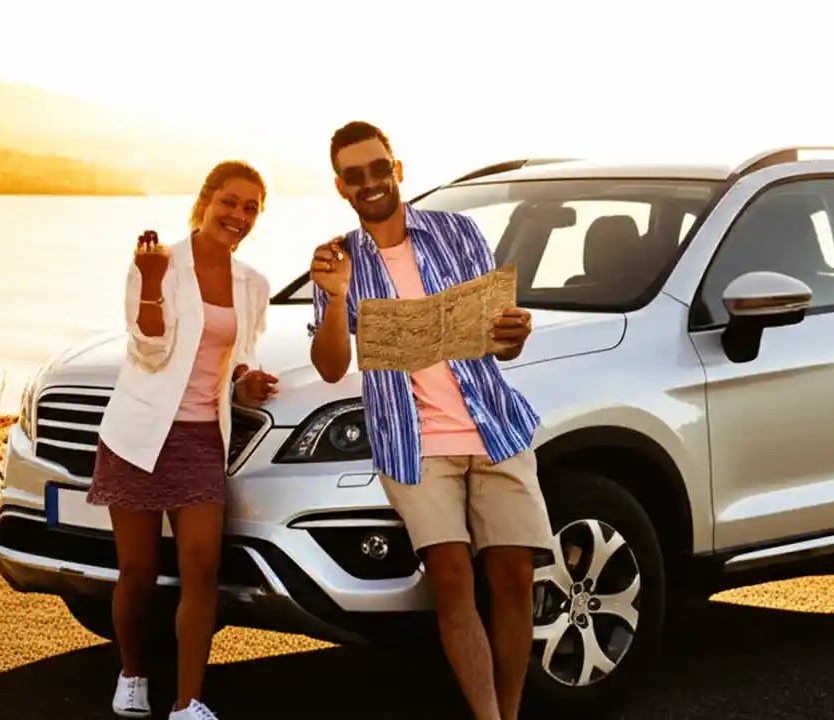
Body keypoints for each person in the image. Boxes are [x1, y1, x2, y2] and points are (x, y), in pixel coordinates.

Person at [307, 121, 550, 720]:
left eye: (378, 169)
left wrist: (515, 331)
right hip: (414, 443)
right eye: (354, 175)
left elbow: (501, 343)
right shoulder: (337, 259)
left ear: (397, 169)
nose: (370, 183)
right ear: (340, 186)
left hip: (493, 424)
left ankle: (509, 713)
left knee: (515, 576)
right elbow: (331, 367)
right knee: (450, 577)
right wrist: (335, 296)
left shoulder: (457, 232)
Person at [90, 160, 279, 720]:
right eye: (230, 202)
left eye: (251, 207)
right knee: (138, 571)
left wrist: (246, 380)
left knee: (202, 568)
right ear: (205, 201)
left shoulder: (254, 284)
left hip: (200, 438)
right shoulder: (159, 263)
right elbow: (148, 352)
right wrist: (150, 280)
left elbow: (241, 356)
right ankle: (131, 674)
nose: (238, 215)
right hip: (138, 435)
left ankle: (188, 702)